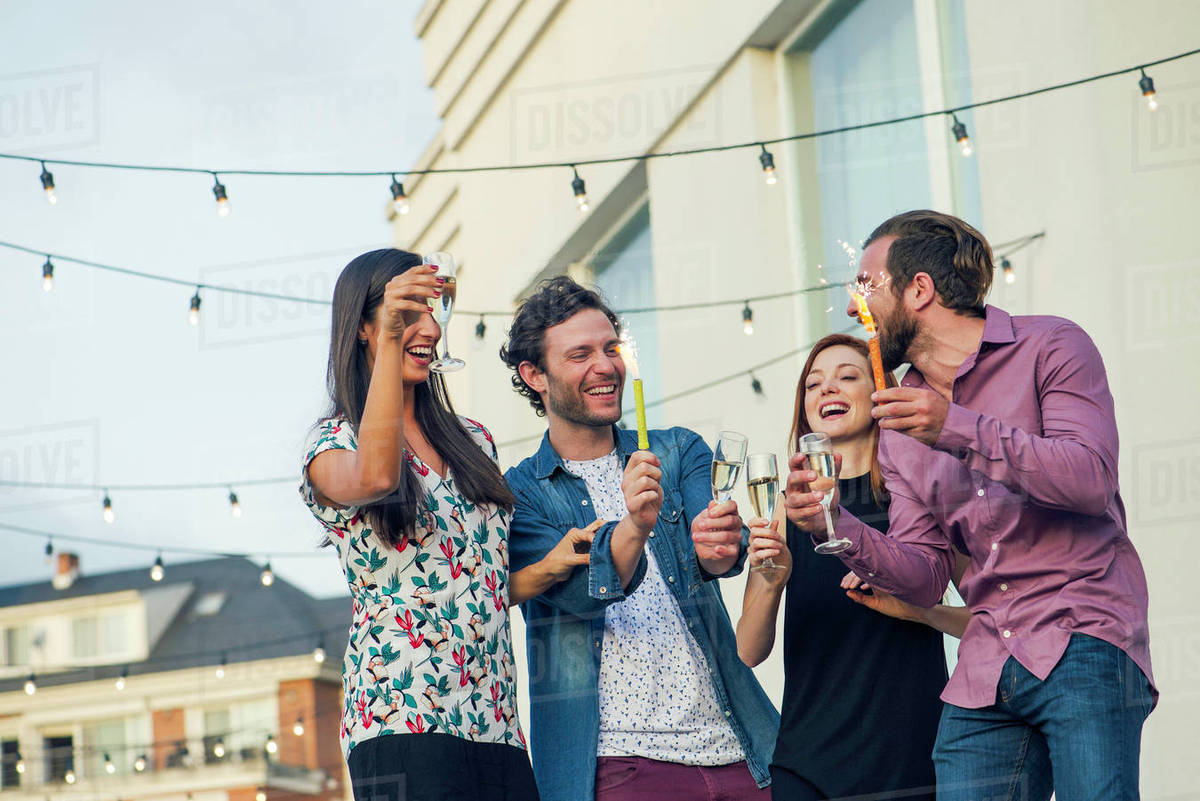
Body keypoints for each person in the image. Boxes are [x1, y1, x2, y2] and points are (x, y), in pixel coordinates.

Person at [784, 211, 1155, 801]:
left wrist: (955, 428)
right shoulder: (901, 412)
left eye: (867, 286)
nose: (857, 306)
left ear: (919, 290)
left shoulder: (1051, 345)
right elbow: (927, 577)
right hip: (985, 663)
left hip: (1082, 633)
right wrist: (834, 522)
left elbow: (1089, 479)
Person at [300, 249, 590, 801]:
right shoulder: (333, 444)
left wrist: (548, 569)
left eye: (432, 311)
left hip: (496, 720)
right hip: (400, 718)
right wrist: (391, 341)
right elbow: (378, 477)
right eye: (407, 313)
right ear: (362, 327)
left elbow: (474, 583)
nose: (430, 328)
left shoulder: (474, 439)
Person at [500, 276, 779, 801]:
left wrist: (719, 544)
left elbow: (720, 550)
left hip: (739, 751)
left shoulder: (676, 450)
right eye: (579, 354)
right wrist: (634, 526)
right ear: (534, 375)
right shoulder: (518, 493)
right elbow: (579, 593)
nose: (605, 366)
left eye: (611, 348)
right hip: (615, 765)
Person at [736, 333, 969, 800]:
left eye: (847, 376)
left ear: (879, 393)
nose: (828, 390)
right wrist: (769, 578)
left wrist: (920, 611)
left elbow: (990, 620)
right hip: (808, 766)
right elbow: (748, 650)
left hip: (911, 760)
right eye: (814, 384)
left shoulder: (921, 498)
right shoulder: (789, 509)